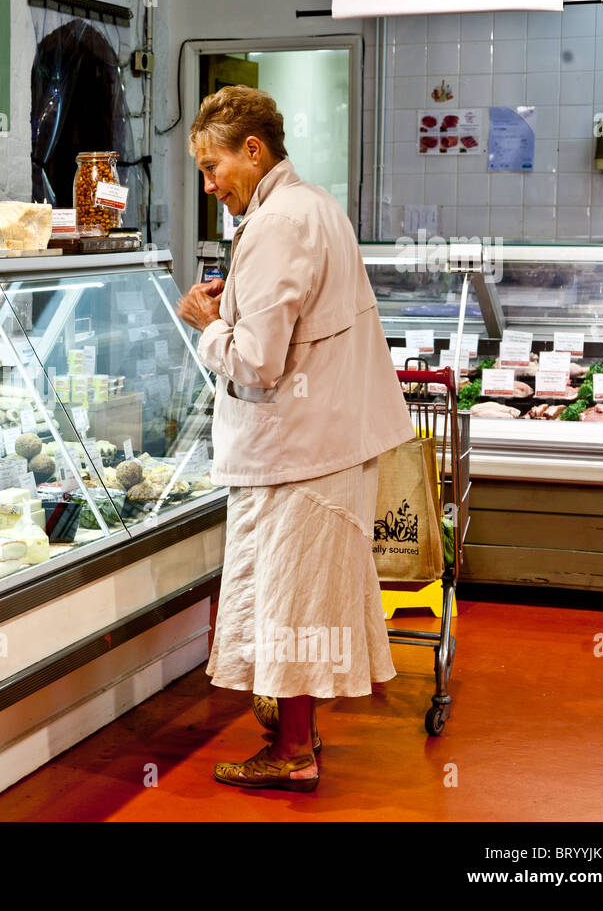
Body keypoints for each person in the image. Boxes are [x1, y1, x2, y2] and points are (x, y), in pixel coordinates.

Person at [175, 86, 413, 793]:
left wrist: (205, 323)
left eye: (214, 167)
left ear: (255, 150)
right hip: (319, 442)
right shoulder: (311, 205)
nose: (209, 185)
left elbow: (256, 360)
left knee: (293, 601)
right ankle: (295, 739)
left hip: (303, 450)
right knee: (301, 599)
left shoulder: (278, 222)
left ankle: (294, 751)